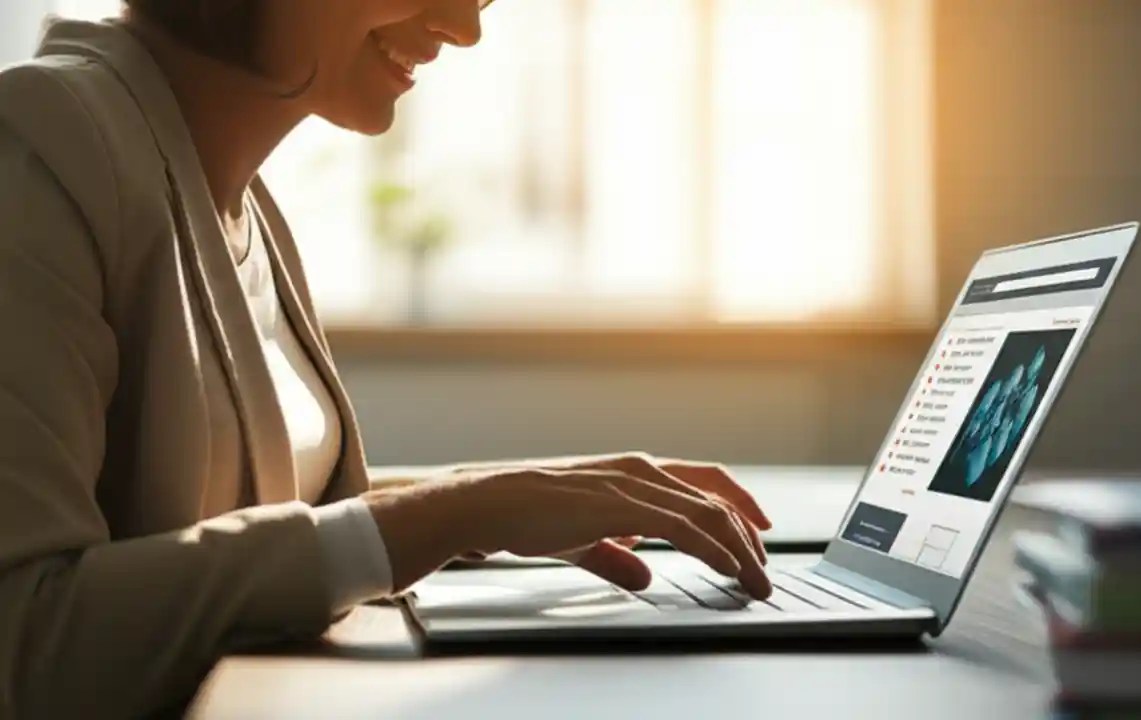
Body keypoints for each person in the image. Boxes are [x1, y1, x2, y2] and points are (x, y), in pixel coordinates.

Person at [0, 2, 773, 717]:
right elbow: (24, 639)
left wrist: (493, 503)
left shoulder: (227, 190)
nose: (464, 25)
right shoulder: (42, 142)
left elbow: (246, 530)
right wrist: (456, 513)